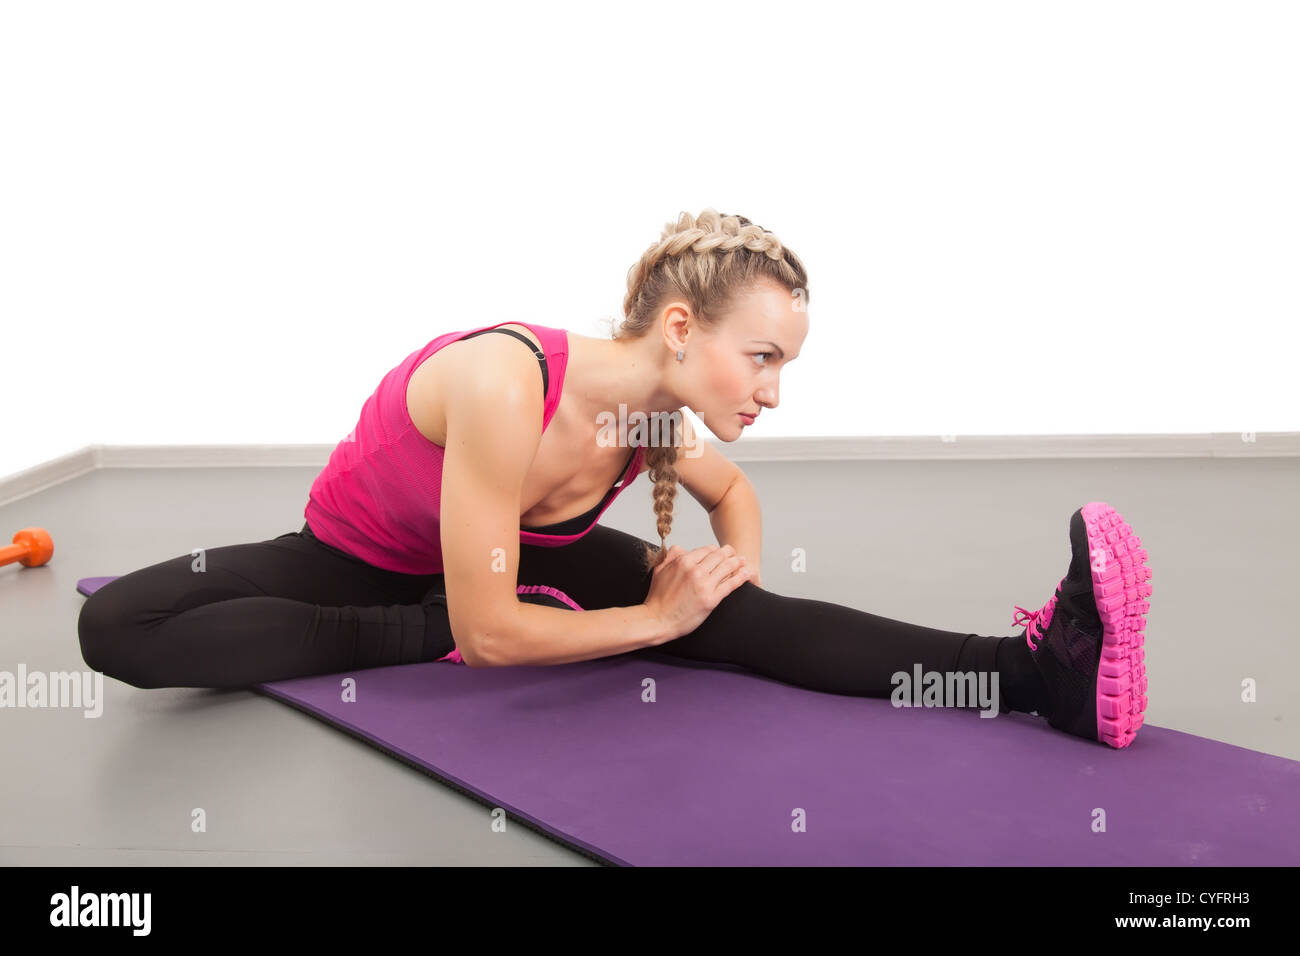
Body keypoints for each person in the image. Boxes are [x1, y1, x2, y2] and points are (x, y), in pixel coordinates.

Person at [78, 208, 1151, 748]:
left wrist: (726, 598)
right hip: (358, 557)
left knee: (721, 611)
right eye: (763, 357)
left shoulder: (648, 414)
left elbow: (732, 495)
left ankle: (1034, 672)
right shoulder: (509, 384)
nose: (775, 392)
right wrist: (649, 621)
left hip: (518, 555)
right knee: (116, 627)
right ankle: (411, 631)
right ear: (680, 328)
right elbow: (496, 638)